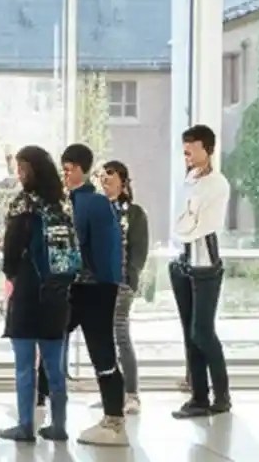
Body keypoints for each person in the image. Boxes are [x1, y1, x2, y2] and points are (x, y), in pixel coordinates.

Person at [0, 145, 75, 442]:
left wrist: (11, 274)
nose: (19, 174)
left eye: (22, 168)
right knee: (55, 367)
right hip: (58, 293)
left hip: (28, 291)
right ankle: (59, 425)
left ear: (32, 170)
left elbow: (11, 250)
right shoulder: (62, 204)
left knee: (24, 366)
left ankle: (25, 425)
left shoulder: (23, 204)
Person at [61, 144, 128, 447]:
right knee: (66, 338)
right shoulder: (87, 202)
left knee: (101, 349)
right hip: (91, 285)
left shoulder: (91, 203)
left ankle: (114, 420)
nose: (65, 175)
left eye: (67, 169)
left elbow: (79, 245)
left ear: (78, 169)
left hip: (94, 287)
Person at [170, 124, 232, 418]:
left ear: (208, 150)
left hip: (205, 263)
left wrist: (188, 216)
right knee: (189, 333)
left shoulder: (217, 184)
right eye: (185, 152)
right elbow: (180, 221)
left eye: (192, 151)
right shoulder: (188, 181)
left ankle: (222, 396)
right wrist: (188, 216)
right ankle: (198, 398)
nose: (188, 157)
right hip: (184, 260)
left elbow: (197, 224)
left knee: (202, 332)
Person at [101, 161, 149, 415]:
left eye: (110, 177)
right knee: (104, 339)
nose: (105, 181)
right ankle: (113, 393)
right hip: (100, 283)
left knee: (120, 334)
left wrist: (130, 278)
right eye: (102, 177)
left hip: (121, 282)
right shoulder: (99, 209)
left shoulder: (134, 214)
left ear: (123, 181)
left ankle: (131, 393)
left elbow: (139, 250)